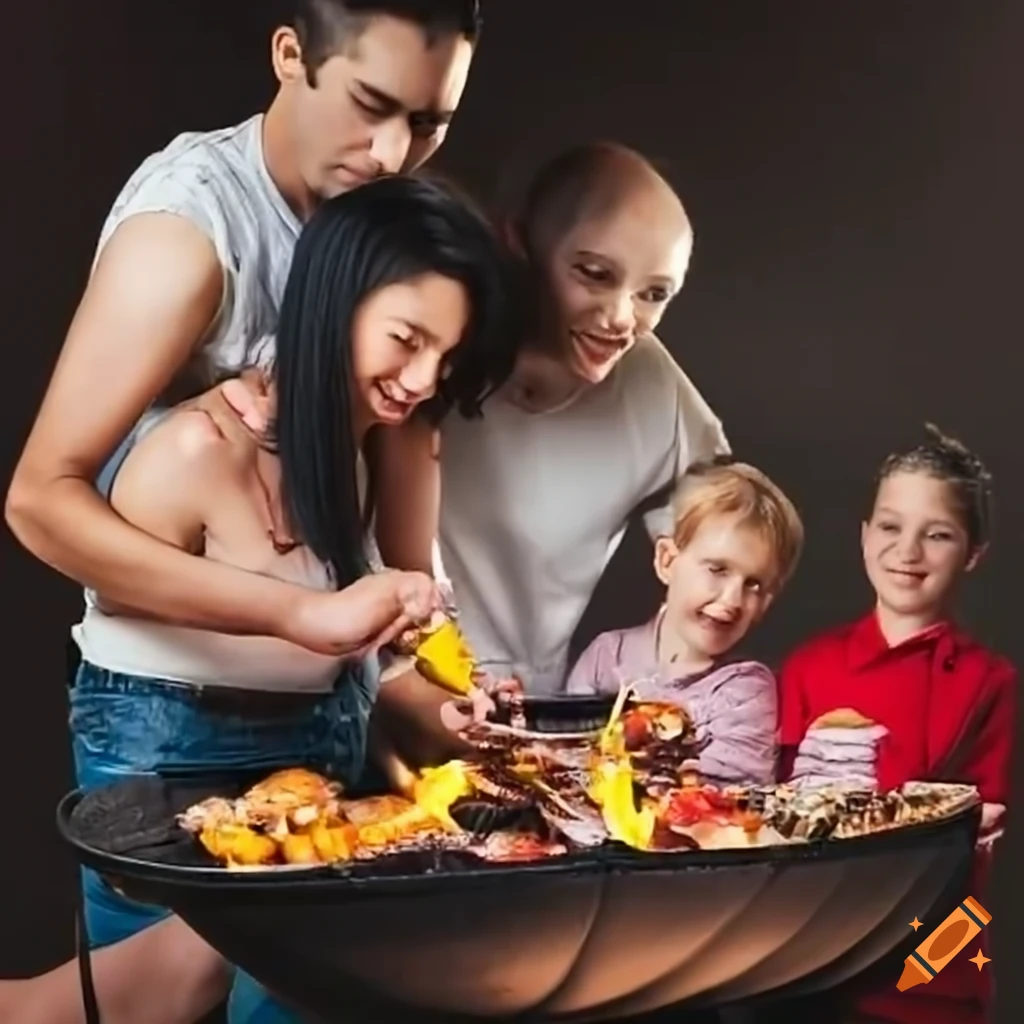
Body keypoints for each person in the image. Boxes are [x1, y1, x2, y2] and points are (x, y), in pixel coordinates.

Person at [374, 140, 731, 771]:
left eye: (654, 293)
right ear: (519, 244)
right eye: (594, 274)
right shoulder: (425, 363)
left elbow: (730, 539)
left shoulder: (655, 388)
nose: (621, 318)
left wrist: (661, 681)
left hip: (531, 731)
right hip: (375, 717)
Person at [777, 424, 1015, 1024]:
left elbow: (982, 856)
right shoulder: (809, 666)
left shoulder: (990, 682)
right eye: (890, 526)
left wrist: (925, 972)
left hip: (926, 981)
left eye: (937, 534)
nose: (907, 551)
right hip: (805, 966)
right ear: (864, 535)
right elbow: (772, 826)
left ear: (973, 552)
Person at [565, 460, 803, 787]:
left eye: (754, 584)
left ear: (766, 603)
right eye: (718, 569)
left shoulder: (745, 691)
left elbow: (722, 798)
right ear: (667, 561)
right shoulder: (605, 657)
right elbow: (563, 759)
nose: (732, 599)